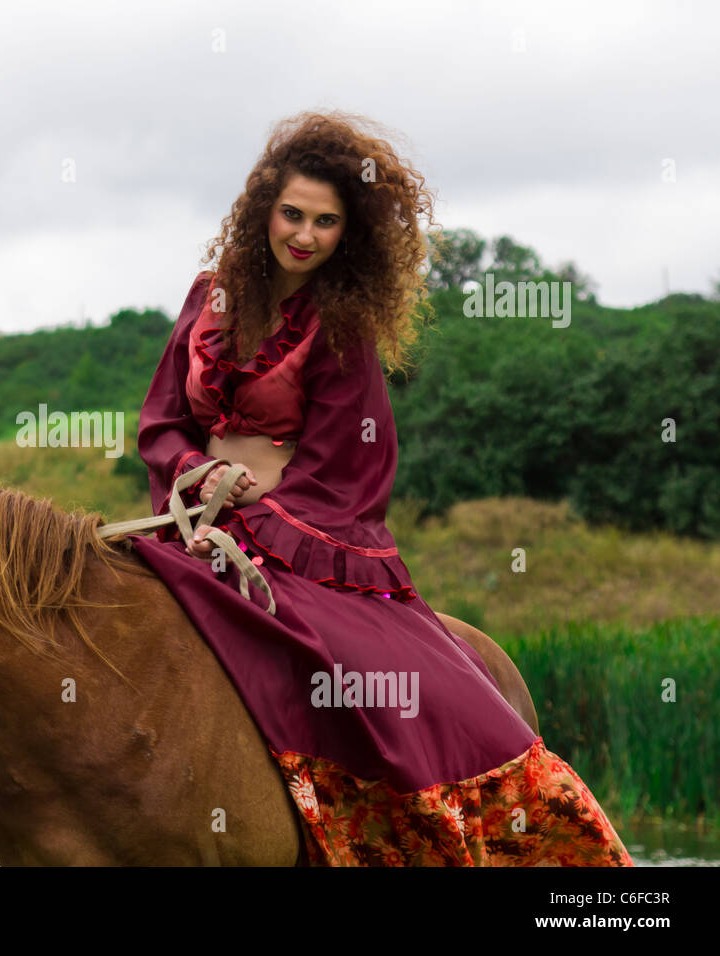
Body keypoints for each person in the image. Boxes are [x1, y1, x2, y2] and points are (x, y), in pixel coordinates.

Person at [128, 110, 632, 866]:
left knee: (366, 675)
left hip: (298, 537)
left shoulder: (340, 325)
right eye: (292, 213)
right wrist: (190, 481)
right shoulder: (209, 296)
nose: (303, 234)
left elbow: (344, 468)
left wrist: (253, 521)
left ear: (347, 233)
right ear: (264, 208)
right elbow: (163, 420)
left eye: (325, 222)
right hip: (188, 521)